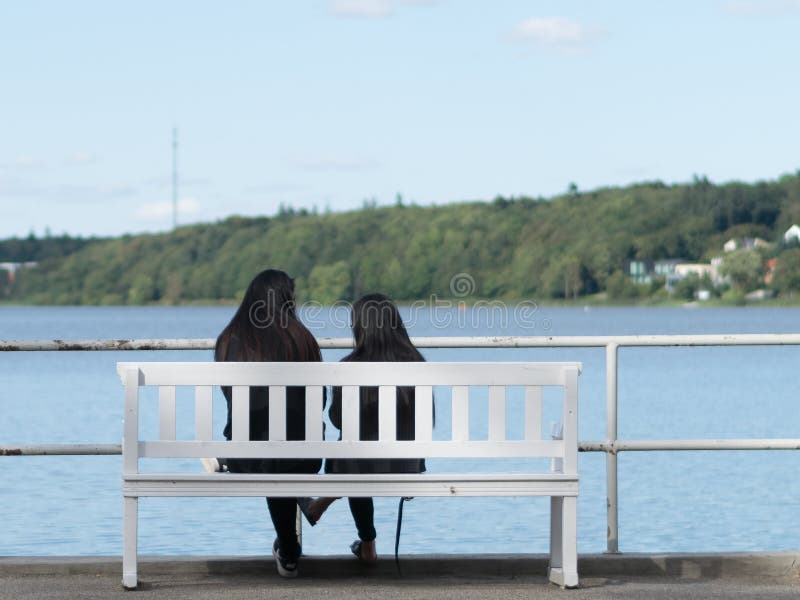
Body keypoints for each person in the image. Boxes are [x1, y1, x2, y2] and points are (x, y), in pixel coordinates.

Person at [214, 269, 323, 578]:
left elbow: (231, 401)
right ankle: (288, 550)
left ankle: (289, 551)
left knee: (269, 451)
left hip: (250, 456)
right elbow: (320, 399)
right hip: (308, 453)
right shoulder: (303, 339)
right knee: (283, 452)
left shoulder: (231, 338)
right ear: (287, 299)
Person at [306, 293, 428, 563]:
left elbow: (337, 420)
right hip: (408, 465)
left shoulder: (348, 367)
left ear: (359, 326)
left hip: (356, 466)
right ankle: (325, 507)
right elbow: (426, 420)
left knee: (351, 459)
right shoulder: (417, 363)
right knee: (355, 459)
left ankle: (368, 543)